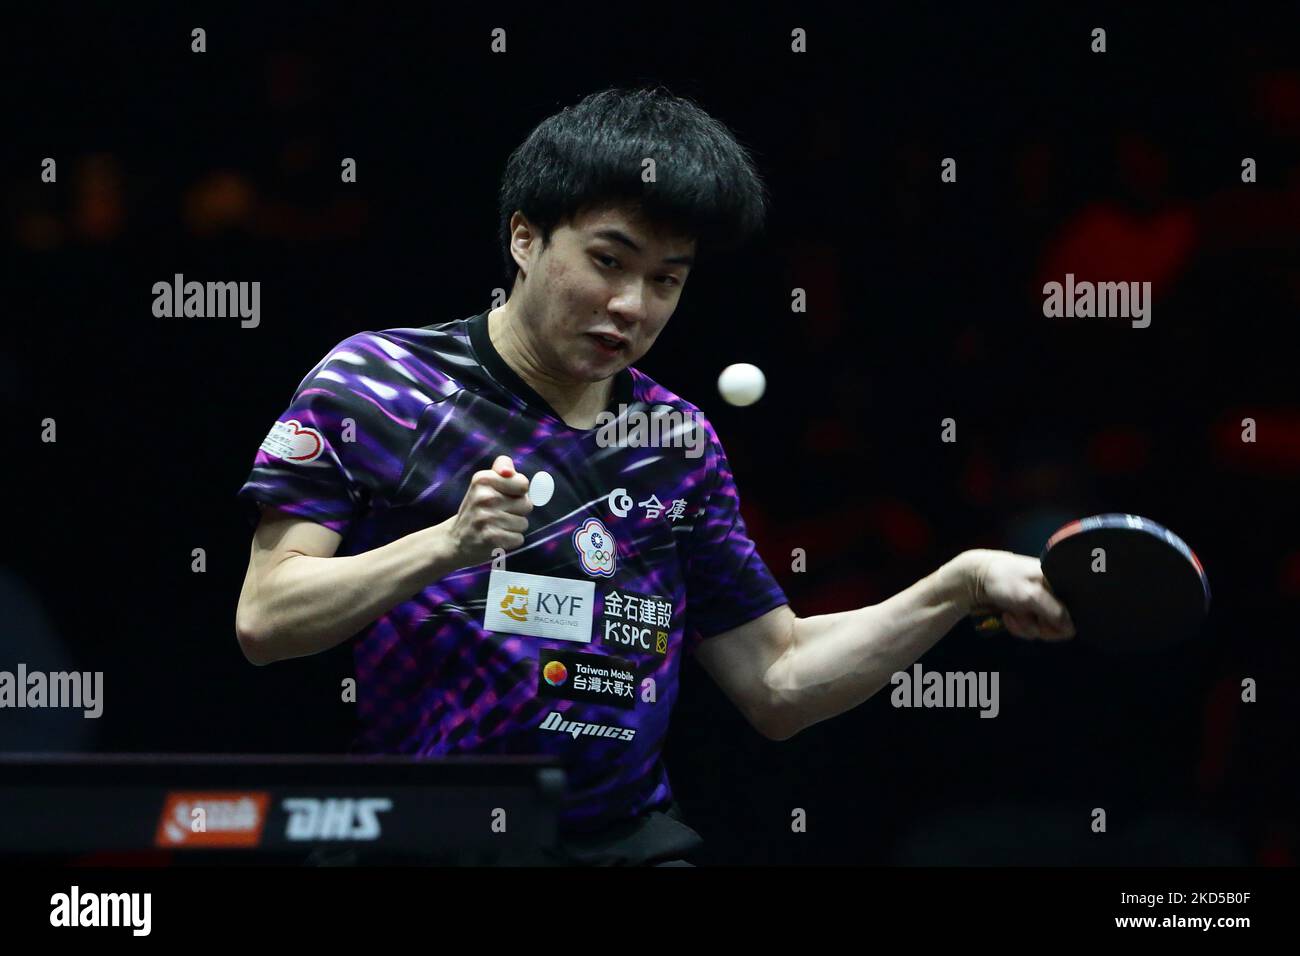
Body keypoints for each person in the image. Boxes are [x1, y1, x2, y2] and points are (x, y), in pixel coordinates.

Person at [235, 86, 1073, 866]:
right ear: (525, 238)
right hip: (415, 841)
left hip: (620, 843)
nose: (633, 305)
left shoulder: (674, 440)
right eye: (608, 261)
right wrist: (446, 546)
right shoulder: (380, 383)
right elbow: (267, 618)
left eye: (666, 279)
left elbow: (776, 680)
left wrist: (957, 586)